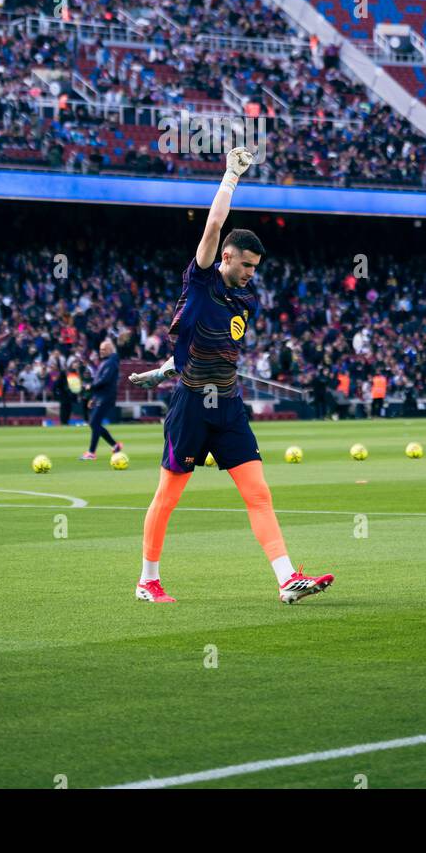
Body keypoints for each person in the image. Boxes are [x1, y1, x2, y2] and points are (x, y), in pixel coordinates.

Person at [130, 147, 334, 606]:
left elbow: (215, 350)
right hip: (190, 407)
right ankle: (147, 580)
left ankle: (286, 579)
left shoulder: (247, 303)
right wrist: (230, 177)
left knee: (258, 493)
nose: (250, 274)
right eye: (245, 265)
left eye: (255, 268)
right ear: (225, 258)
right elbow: (212, 227)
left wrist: (163, 368)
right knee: (168, 496)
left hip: (228, 405)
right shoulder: (202, 280)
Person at [81, 339, 124, 461]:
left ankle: (91, 452)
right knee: (95, 423)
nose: (101, 351)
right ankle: (115, 446)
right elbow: (100, 380)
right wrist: (94, 398)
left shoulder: (111, 362)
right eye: (100, 349)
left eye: (104, 349)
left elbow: (105, 380)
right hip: (101, 396)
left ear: (110, 350)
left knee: (94, 423)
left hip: (107, 396)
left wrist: (91, 387)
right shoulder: (106, 362)